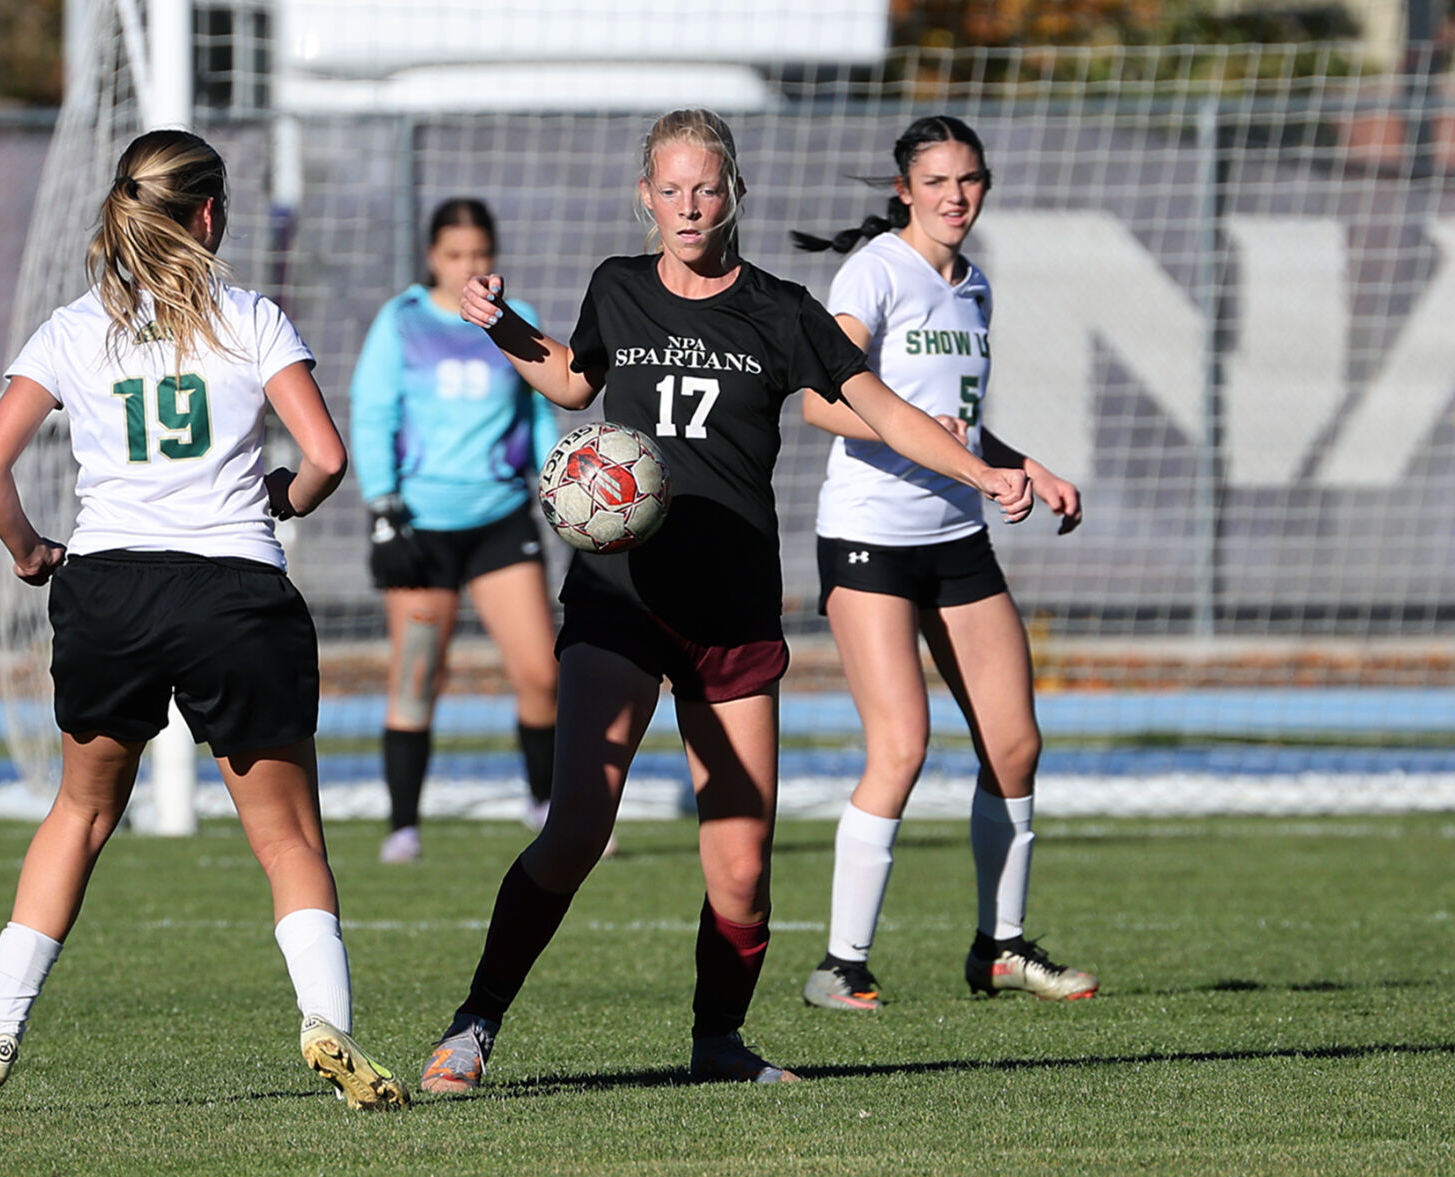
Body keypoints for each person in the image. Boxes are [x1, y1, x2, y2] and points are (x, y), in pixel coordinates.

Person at [417, 108, 1033, 1094]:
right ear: (645, 198)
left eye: (705, 188)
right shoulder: (617, 287)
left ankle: (717, 1041)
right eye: (671, 190)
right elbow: (573, 383)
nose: (689, 206)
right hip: (621, 598)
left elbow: (875, 408)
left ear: (732, 192)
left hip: (732, 610)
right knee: (578, 822)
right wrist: (501, 328)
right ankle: (472, 1025)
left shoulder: (778, 311)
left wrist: (979, 467)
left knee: (741, 870)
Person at [0, 129, 408, 1111]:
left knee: (81, 811)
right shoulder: (251, 318)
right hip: (232, 590)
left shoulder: (74, 327)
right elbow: (323, 455)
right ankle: (328, 1024)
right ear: (209, 215)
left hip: (109, 591)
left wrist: (27, 552)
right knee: (285, 840)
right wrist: (286, 495)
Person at [789, 115, 1096, 1012]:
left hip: (957, 536)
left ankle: (1000, 947)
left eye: (969, 180)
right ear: (904, 191)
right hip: (869, 536)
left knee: (1014, 742)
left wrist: (1025, 465)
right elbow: (819, 403)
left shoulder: (975, 288)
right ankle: (840, 966)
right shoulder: (876, 272)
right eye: (937, 182)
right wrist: (931, 446)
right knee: (902, 744)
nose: (955, 196)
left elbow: (955, 420)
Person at [348, 198, 562, 865]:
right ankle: (404, 826)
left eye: (479, 254)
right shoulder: (403, 320)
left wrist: (558, 484)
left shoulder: (518, 319)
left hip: (501, 519)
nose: (469, 266)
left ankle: (547, 806)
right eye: (455, 255)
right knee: (417, 675)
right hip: (421, 528)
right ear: (433, 258)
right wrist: (382, 507)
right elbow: (373, 411)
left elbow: (541, 406)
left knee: (540, 672)